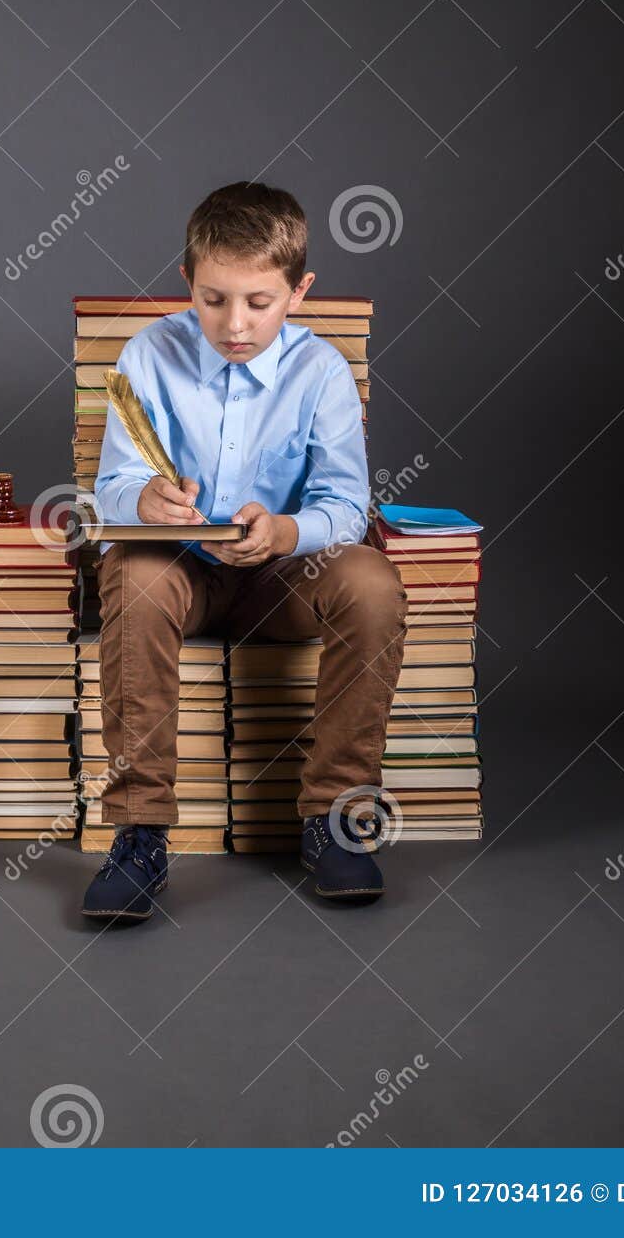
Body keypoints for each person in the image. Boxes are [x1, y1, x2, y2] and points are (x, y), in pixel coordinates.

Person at [82, 180, 407, 923]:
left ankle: (332, 818)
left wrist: (285, 532)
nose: (234, 324)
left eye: (258, 302)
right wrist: (146, 502)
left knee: (372, 584)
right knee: (130, 573)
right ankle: (140, 833)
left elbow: (344, 504)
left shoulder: (320, 371)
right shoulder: (149, 352)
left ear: (299, 290)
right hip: (181, 574)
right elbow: (116, 482)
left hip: (285, 579)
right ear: (186, 283)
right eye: (213, 298)